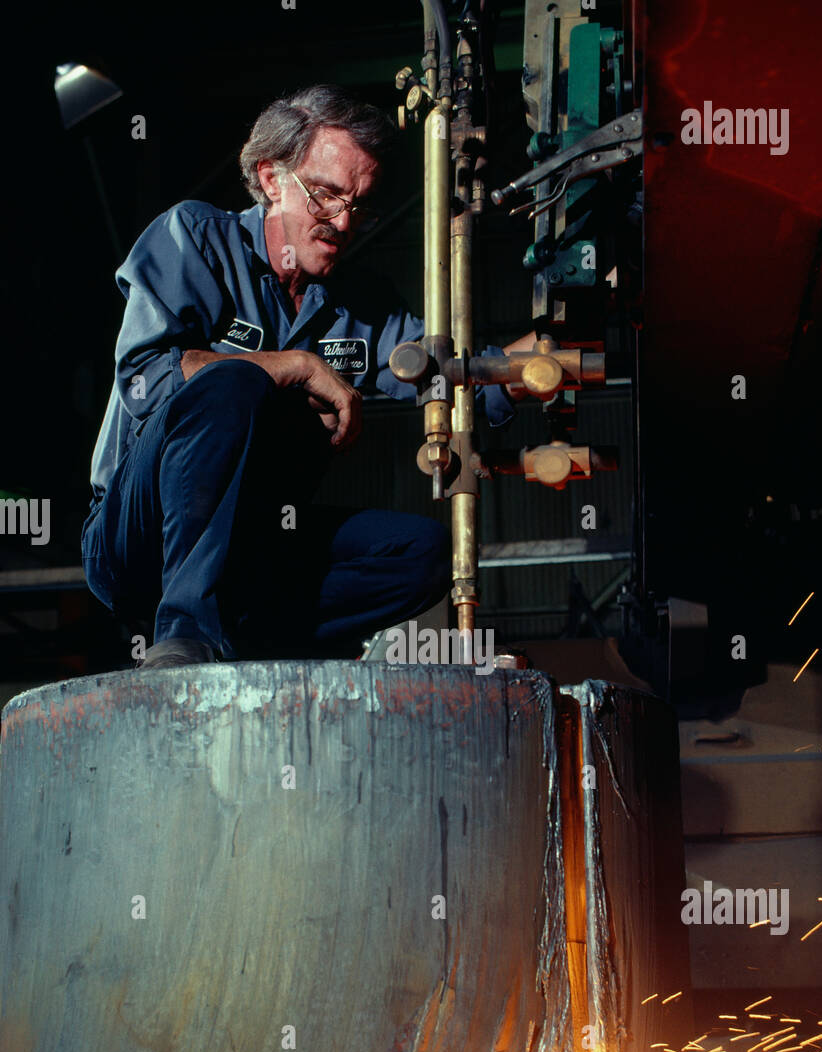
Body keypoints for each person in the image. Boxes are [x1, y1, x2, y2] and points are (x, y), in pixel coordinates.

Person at [81, 84, 519, 670]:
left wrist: (544, 356)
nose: (343, 222)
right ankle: (184, 636)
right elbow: (146, 377)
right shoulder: (194, 238)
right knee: (234, 384)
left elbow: (448, 373)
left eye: (359, 205)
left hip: (249, 548)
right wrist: (291, 365)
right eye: (326, 195)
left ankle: (262, 644)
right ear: (270, 179)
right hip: (136, 539)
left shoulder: (356, 307)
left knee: (421, 552)